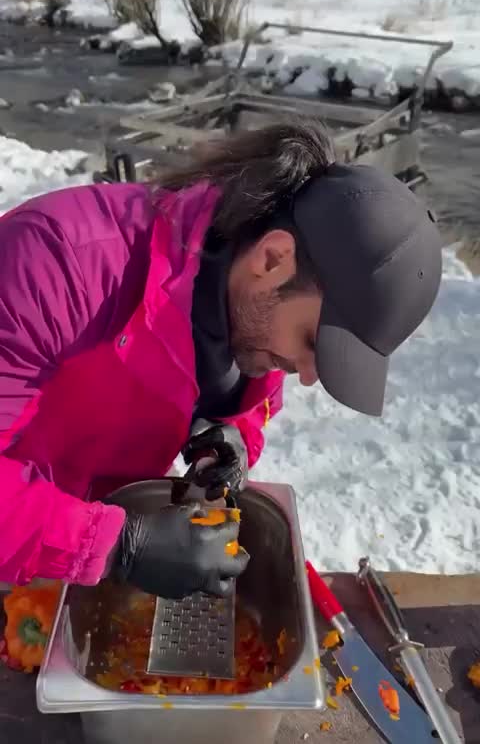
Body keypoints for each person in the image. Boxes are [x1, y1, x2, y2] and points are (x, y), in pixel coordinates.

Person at [0, 120, 442, 600]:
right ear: (273, 258)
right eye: (313, 342)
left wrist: (225, 436)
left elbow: (250, 396)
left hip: (79, 537)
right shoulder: (54, 262)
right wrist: (111, 546)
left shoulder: (254, 307)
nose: (310, 377)